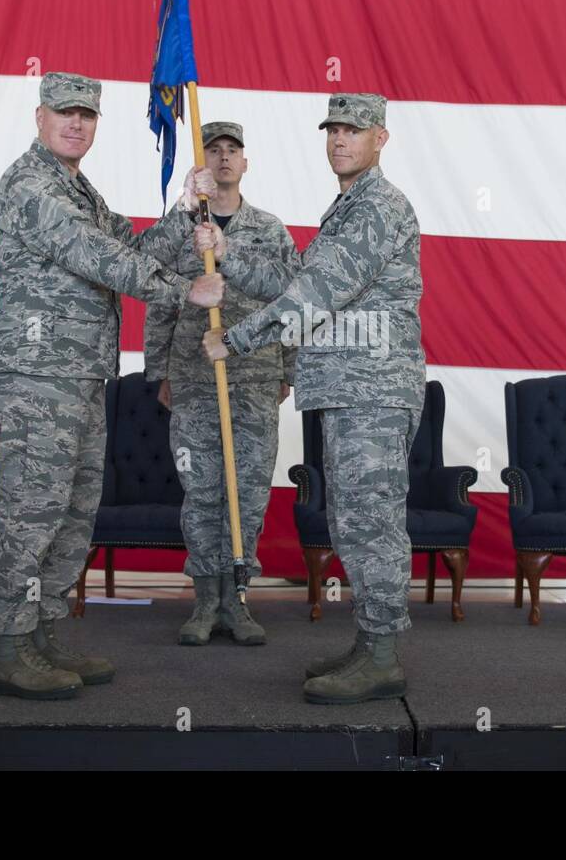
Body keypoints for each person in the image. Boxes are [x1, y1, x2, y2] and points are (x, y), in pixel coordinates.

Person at [0, 71, 224, 699]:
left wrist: (185, 210)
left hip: (81, 372)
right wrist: (183, 290)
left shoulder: (78, 189)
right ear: (40, 117)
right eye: (64, 113)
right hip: (36, 373)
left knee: (72, 508)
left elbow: (131, 242)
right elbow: (99, 259)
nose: (76, 123)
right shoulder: (31, 185)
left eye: (87, 115)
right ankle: (7, 646)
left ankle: (40, 632)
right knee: (31, 509)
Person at [199, 94, 426, 704]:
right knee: (353, 522)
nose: (339, 140)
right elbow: (298, 281)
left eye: (353, 130)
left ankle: (382, 657)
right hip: (351, 391)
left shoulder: (378, 206)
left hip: (372, 391)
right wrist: (227, 256)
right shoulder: (347, 209)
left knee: (371, 525)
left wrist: (236, 339)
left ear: (381, 138)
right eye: (332, 130)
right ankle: (369, 641)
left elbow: (318, 293)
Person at [140, 121, 299, 646]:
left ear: (246, 164)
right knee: (201, 490)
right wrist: (158, 370)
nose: (225, 158)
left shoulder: (270, 229)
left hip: (254, 378)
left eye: (234, 151)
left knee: (247, 492)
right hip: (193, 377)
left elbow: (293, 299)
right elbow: (159, 295)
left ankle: (239, 600)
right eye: (215, 150)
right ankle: (205, 601)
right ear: (202, 163)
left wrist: (288, 370)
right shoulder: (181, 227)